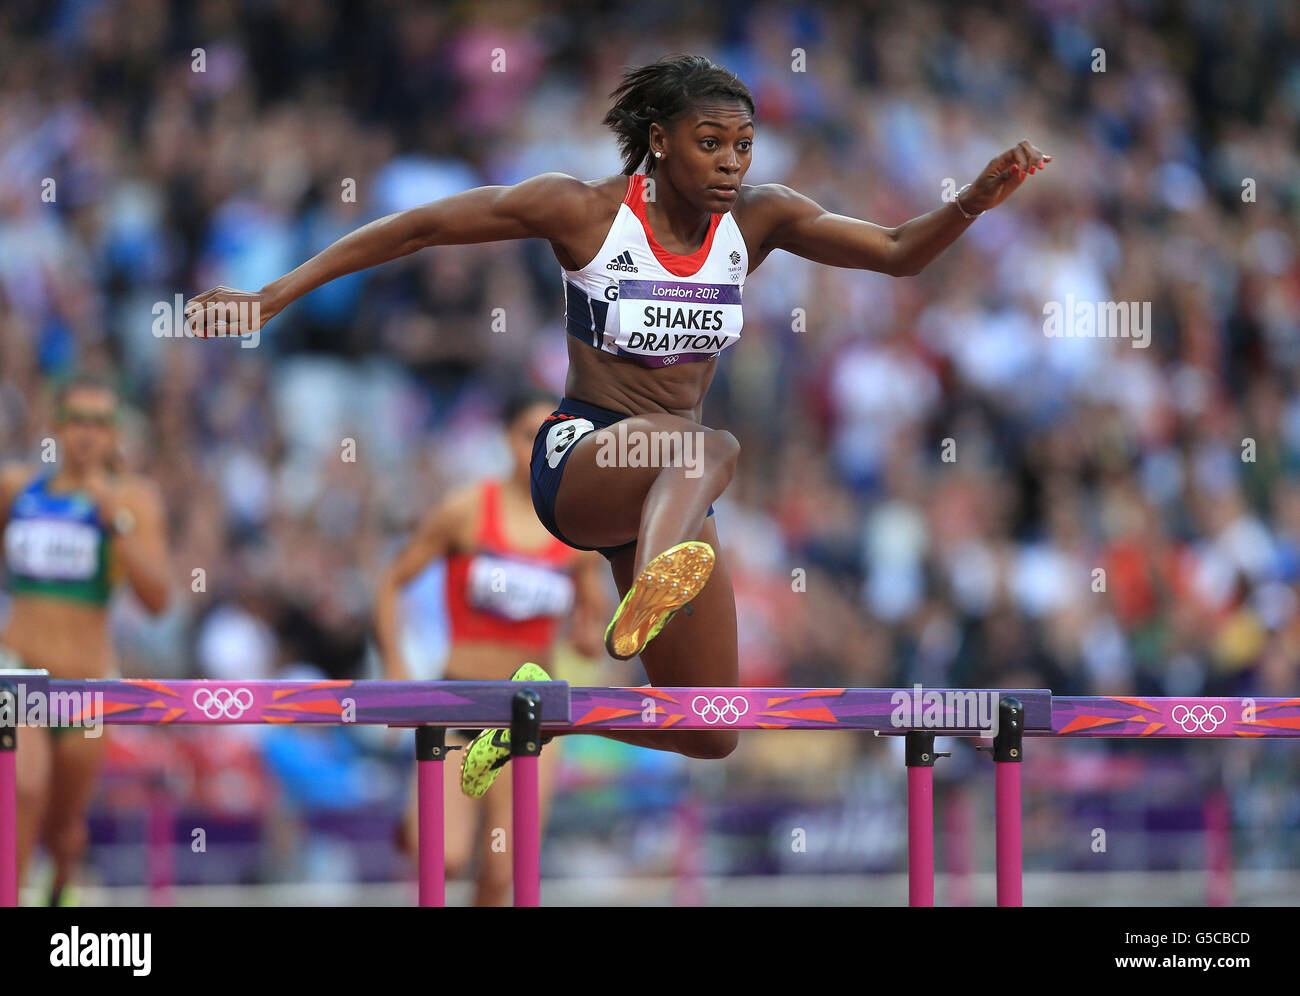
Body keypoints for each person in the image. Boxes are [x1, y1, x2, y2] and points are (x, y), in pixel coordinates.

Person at [186, 53, 1049, 798]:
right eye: (710, 143)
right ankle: (644, 594)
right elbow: (419, 227)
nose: (730, 164)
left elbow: (899, 250)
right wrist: (270, 296)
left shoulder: (761, 219)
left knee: (710, 729)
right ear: (661, 140)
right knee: (712, 443)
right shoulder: (586, 212)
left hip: (672, 494)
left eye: (742, 146)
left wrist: (970, 201)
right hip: (583, 458)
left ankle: (552, 710)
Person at [373, 388, 606, 905]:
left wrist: (591, 636)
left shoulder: (577, 533)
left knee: (505, 872)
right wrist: (396, 664)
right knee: (444, 857)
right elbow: (393, 581)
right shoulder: (465, 511)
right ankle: (415, 822)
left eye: (557, 435)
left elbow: (589, 630)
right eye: (530, 434)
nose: (542, 446)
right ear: (506, 439)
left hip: (530, 712)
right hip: (459, 702)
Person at [0, 376, 172, 903]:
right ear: (56, 425)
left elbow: (159, 598)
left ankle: (59, 891)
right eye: (77, 419)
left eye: (101, 423)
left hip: (87, 685)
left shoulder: (133, 499)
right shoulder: (16, 488)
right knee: (23, 789)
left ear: (114, 434)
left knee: (63, 829)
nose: (88, 434)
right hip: (19, 670)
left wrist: (114, 524)